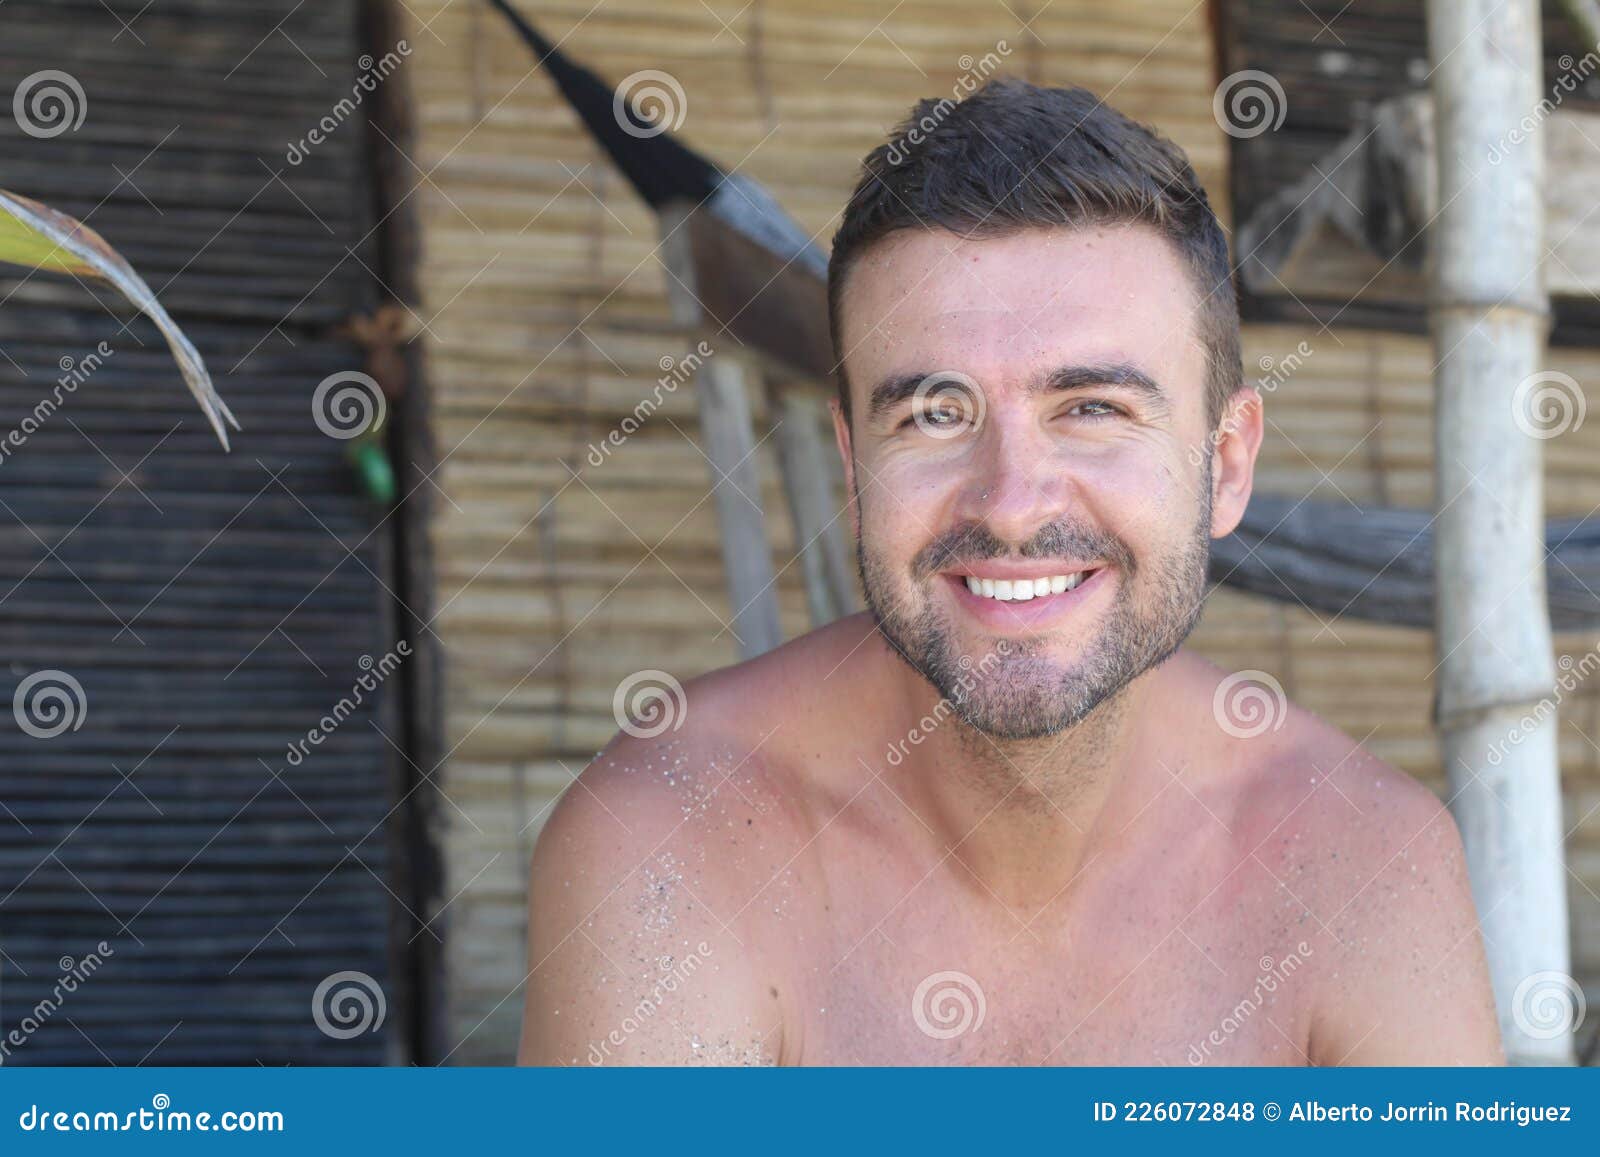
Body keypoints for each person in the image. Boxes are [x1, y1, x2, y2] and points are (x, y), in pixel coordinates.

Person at [518, 78, 1503, 1066]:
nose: (1011, 502)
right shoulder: (674, 841)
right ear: (854, 469)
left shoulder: (1366, 863)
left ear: (1226, 462)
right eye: (934, 415)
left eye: (1091, 408)